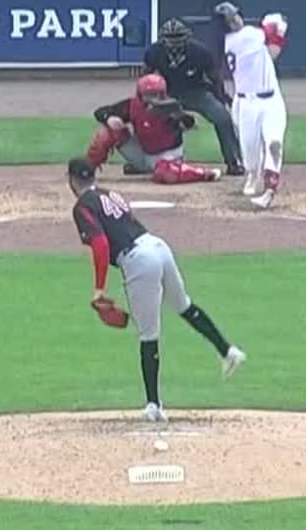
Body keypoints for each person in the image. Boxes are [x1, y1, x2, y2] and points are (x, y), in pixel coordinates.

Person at [65, 155, 247, 424]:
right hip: (158, 247)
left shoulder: (82, 206)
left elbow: (101, 244)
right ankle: (228, 351)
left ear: (71, 180)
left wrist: (99, 289)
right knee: (184, 305)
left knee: (148, 333)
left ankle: (153, 405)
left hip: (139, 260)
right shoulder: (109, 194)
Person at [142, 18, 243, 175]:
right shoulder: (154, 53)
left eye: (178, 39)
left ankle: (234, 161)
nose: (174, 44)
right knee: (145, 117)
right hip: (167, 95)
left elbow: (215, 78)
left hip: (197, 93)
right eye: (170, 39)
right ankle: (143, 161)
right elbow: (145, 79)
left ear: (187, 38)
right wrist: (148, 101)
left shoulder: (200, 53)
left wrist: (221, 98)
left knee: (222, 117)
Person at [83, 74, 225, 184]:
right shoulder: (132, 106)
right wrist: (110, 118)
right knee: (106, 133)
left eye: (155, 94)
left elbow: (188, 121)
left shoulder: (171, 108)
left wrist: (182, 122)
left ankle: (204, 173)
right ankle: (86, 170)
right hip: (142, 153)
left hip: (168, 157)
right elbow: (100, 112)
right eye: (147, 95)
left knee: (164, 174)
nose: (151, 98)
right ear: (140, 94)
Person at [215, 1, 288, 208]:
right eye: (230, 20)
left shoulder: (240, 37)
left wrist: (276, 29)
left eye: (236, 16)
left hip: (271, 100)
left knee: (274, 143)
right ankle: (252, 174)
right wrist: (278, 26)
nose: (235, 20)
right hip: (246, 103)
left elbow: (271, 52)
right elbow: (274, 39)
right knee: (250, 152)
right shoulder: (243, 38)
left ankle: (269, 189)